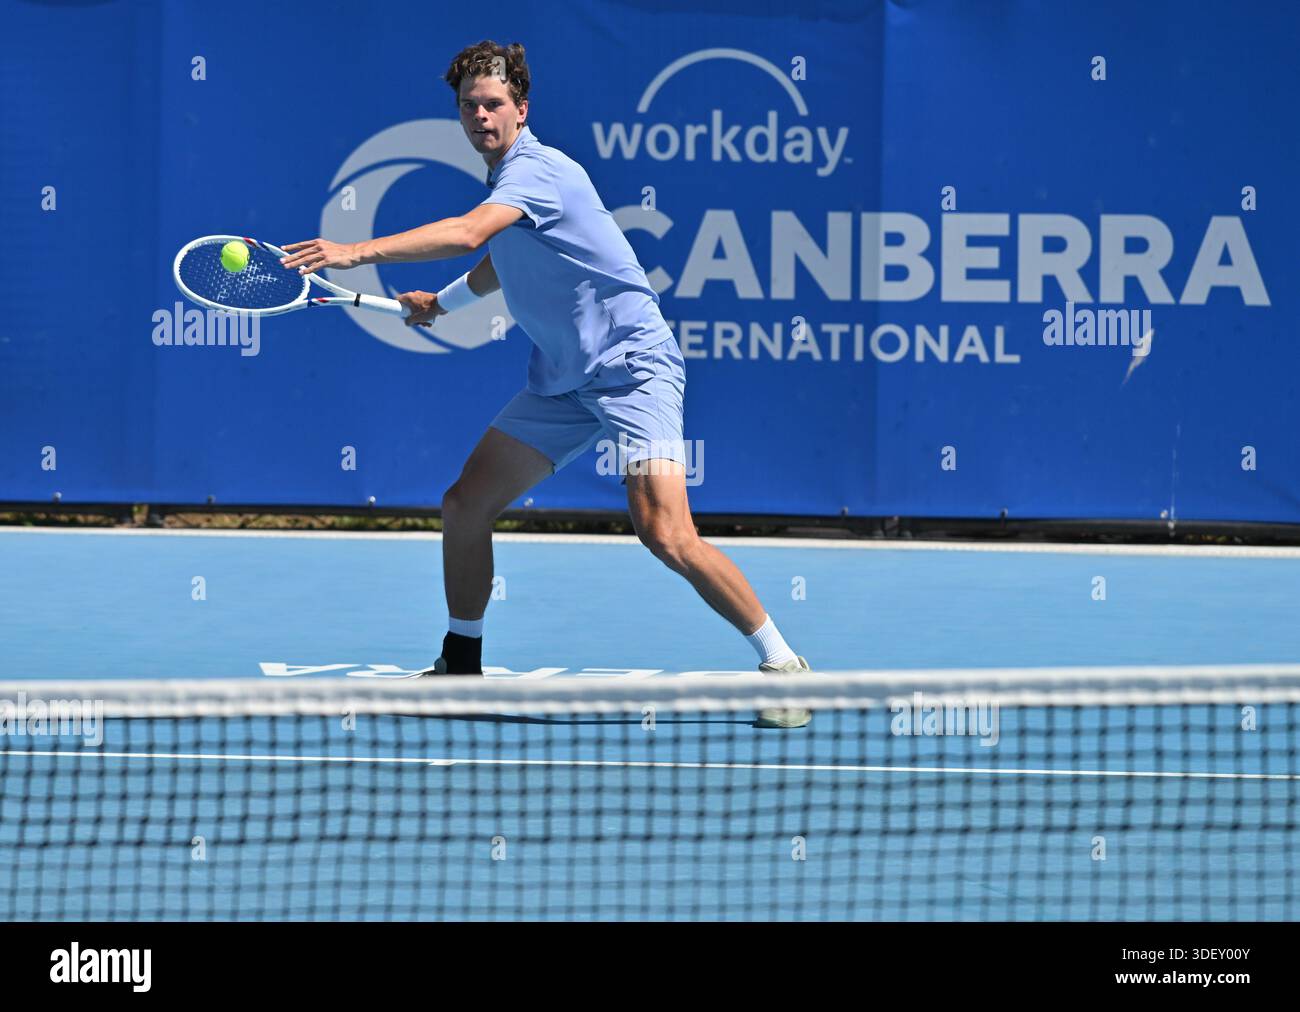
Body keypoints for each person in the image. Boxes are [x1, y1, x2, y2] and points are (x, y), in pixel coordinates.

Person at [281, 40, 811, 728]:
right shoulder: (509, 188)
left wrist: (356, 250)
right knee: (465, 503)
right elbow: (500, 262)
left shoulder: (536, 172)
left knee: (665, 530)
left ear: (520, 110)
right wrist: (440, 305)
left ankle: (784, 666)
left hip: (632, 371)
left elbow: (473, 234)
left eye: (494, 103)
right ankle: (461, 662)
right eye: (469, 104)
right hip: (563, 382)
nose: (481, 115)